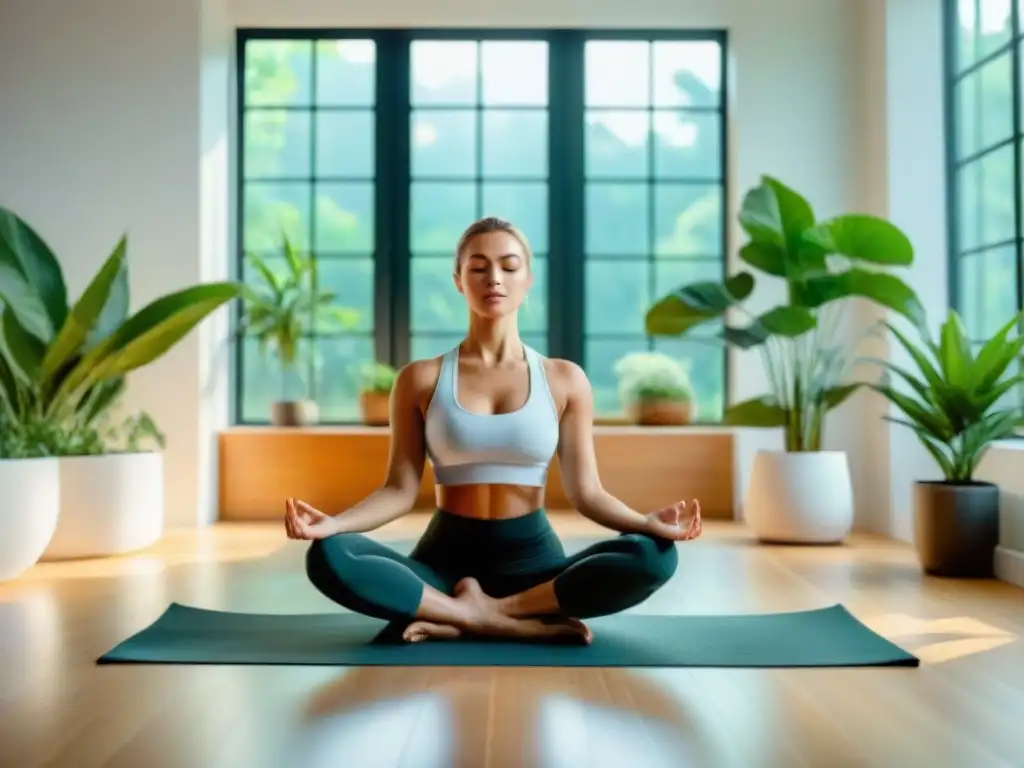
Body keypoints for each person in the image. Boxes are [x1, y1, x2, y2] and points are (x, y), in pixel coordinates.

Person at [284, 216, 702, 645]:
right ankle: (499, 622)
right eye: (478, 267)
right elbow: (398, 491)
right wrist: (333, 525)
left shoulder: (564, 379)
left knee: (653, 557)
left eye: (509, 265)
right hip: (443, 565)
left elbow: (588, 494)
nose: (494, 279)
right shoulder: (420, 379)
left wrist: (646, 522)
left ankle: (476, 614)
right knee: (329, 555)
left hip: (535, 567)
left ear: (528, 279)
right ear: (459, 281)